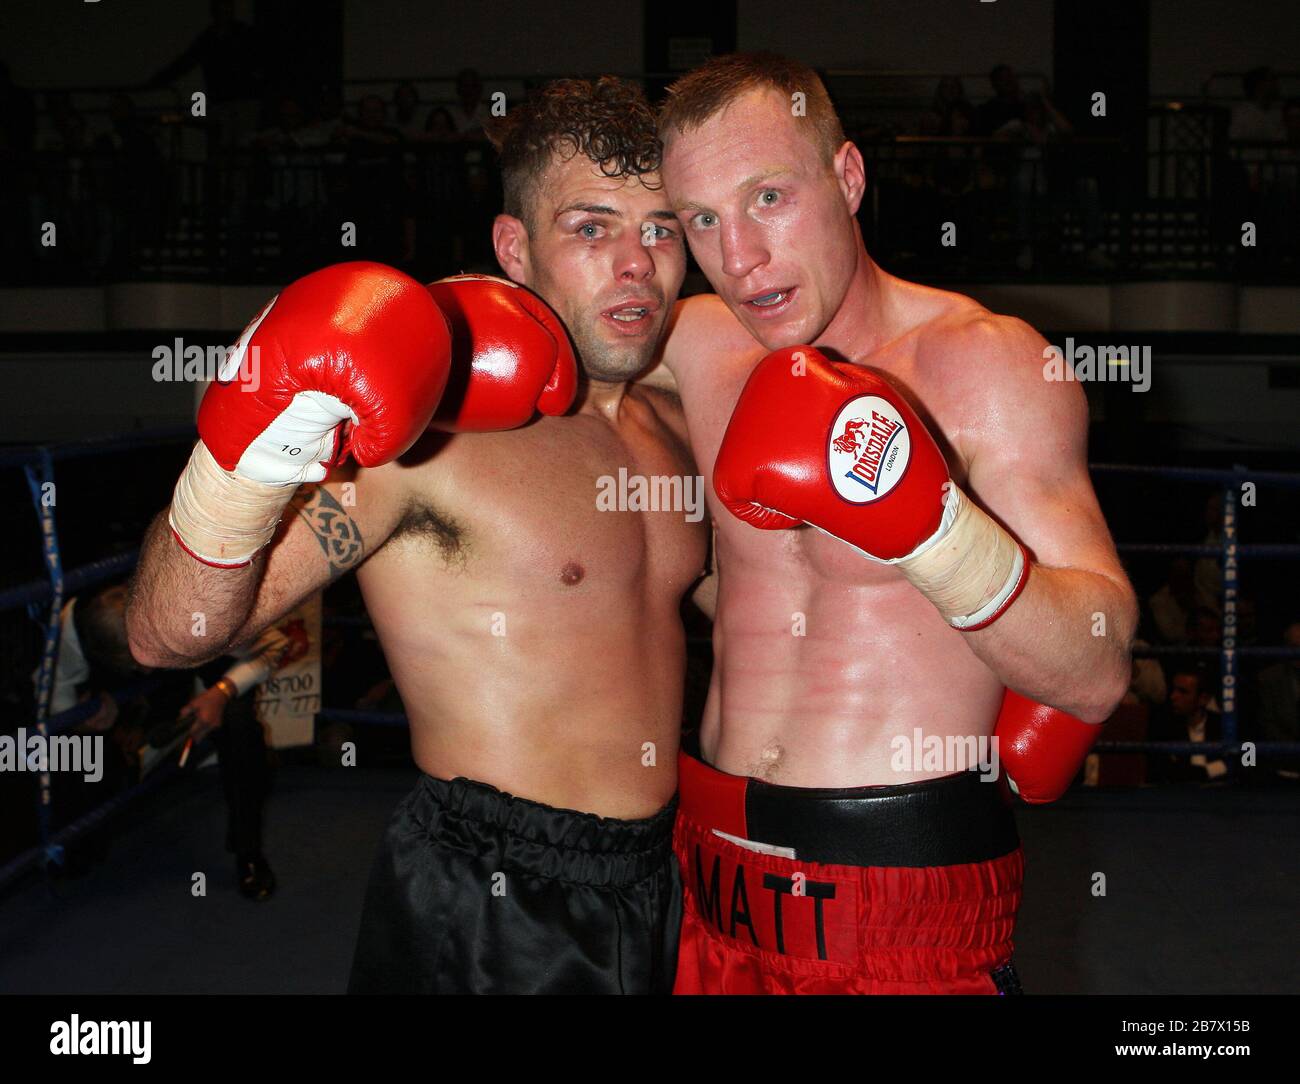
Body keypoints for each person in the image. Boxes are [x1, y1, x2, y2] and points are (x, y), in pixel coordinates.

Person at [127, 76, 705, 994]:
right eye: (592, 228)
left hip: (662, 877)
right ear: (515, 248)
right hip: (489, 893)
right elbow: (167, 635)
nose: (637, 263)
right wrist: (242, 465)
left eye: (662, 228)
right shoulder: (425, 442)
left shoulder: (675, 428)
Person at [642, 51, 1136, 994]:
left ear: (849, 177)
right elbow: (550, 341)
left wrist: (931, 529)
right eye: (702, 219)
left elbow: (1100, 668)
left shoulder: (983, 366)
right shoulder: (699, 345)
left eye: (768, 199)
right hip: (711, 886)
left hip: (900, 906)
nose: (739, 257)